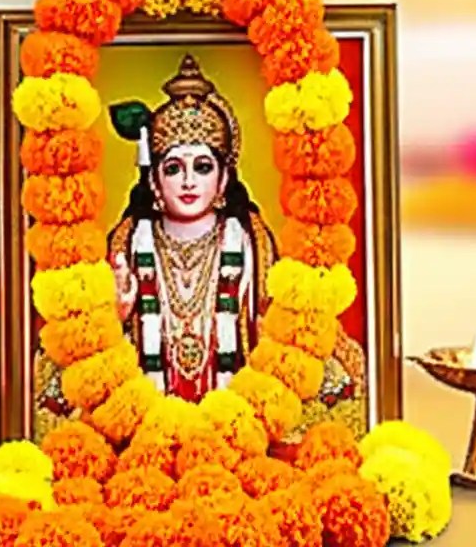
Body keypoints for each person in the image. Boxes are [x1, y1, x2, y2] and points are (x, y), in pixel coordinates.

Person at [31, 55, 366, 437]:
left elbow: (278, 335)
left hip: (237, 431)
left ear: (224, 179)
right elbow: (94, 357)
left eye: (203, 167)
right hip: (143, 433)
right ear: (154, 181)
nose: (188, 181)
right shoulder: (128, 242)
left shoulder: (252, 242)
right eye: (174, 168)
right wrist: (117, 314)